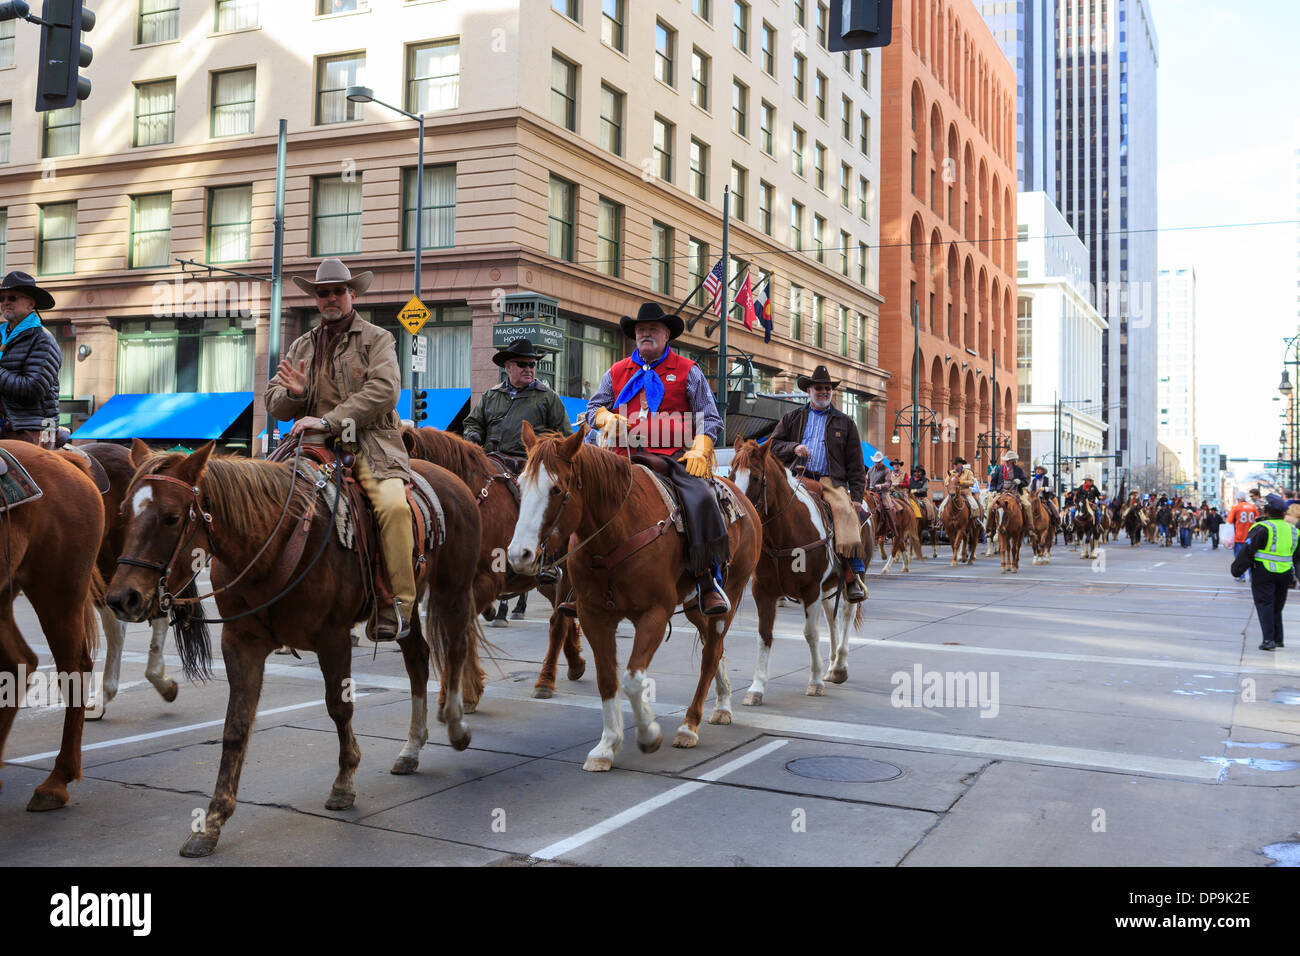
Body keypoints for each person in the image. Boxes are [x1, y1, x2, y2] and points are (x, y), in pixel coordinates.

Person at [266, 258, 415, 641]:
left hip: (367, 443)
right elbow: (273, 401)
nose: (330, 298)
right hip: (310, 445)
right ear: (316, 299)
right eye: (323, 292)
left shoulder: (377, 339)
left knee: (394, 508)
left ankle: (397, 604)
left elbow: (384, 391)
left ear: (352, 294)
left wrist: (328, 421)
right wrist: (294, 396)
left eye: (338, 291)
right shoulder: (301, 344)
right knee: (260, 497)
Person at [584, 302, 730, 615]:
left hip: (674, 458)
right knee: (580, 497)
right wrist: (604, 419)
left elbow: (710, 416)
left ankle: (706, 578)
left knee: (702, 496)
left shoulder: (688, 371)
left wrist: (701, 446)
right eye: (640, 330)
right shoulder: (616, 371)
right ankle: (573, 580)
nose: (645, 334)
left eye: (653, 329)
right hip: (620, 457)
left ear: (667, 335)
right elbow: (593, 409)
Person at [767, 365, 868, 602]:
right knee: (770, 507)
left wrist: (857, 497)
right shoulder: (792, 417)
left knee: (844, 512)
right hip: (797, 476)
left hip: (830, 482)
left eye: (827, 388)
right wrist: (794, 447)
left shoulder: (846, 423)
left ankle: (852, 573)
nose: (823, 391)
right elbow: (772, 445)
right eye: (818, 388)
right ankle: (766, 567)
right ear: (809, 390)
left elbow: (856, 463)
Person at [463, 337, 572, 469]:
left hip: (528, 467)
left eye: (532, 365)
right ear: (508, 367)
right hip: (490, 463)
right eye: (522, 364)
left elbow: (565, 438)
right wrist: (472, 436)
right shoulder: (491, 395)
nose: (528, 369)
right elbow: (473, 423)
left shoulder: (549, 398)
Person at [0, 271, 62, 445]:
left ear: (30, 304)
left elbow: (32, 389)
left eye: (11, 297)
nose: (5, 302)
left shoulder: (43, 339)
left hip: (36, 427)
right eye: (1, 298)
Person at [1231, 494, 1299, 651]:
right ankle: (1278, 638)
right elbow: (1297, 556)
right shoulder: (1293, 530)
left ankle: (1268, 640)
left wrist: (1237, 569)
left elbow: (1247, 551)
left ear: (1266, 511)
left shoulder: (1262, 528)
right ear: (1283, 513)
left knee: (1265, 604)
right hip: (1285, 574)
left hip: (1264, 572)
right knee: (1277, 605)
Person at [987, 451, 1033, 526]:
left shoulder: (1018, 469)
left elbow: (1025, 482)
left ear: (1012, 461)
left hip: (1015, 492)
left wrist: (1020, 482)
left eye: (1008, 460)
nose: (1006, 462)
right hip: (1001, 492)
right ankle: (988, 528)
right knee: (989, 507)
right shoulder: (1000, 469)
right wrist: (993, 490)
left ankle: (1030, 527)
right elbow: (993, 481)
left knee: (1028, 505)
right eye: (1006, 460)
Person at [1226, 493, 1260, 582]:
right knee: (1251, 556)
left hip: (1239, 536)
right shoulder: (1253, 507)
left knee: (1239, 556)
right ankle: (1252, 576)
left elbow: (1229, 521)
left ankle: (1241, 576)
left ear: (1238, 499)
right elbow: (1258, 519)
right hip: (1251, 535)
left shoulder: (1236, 507)